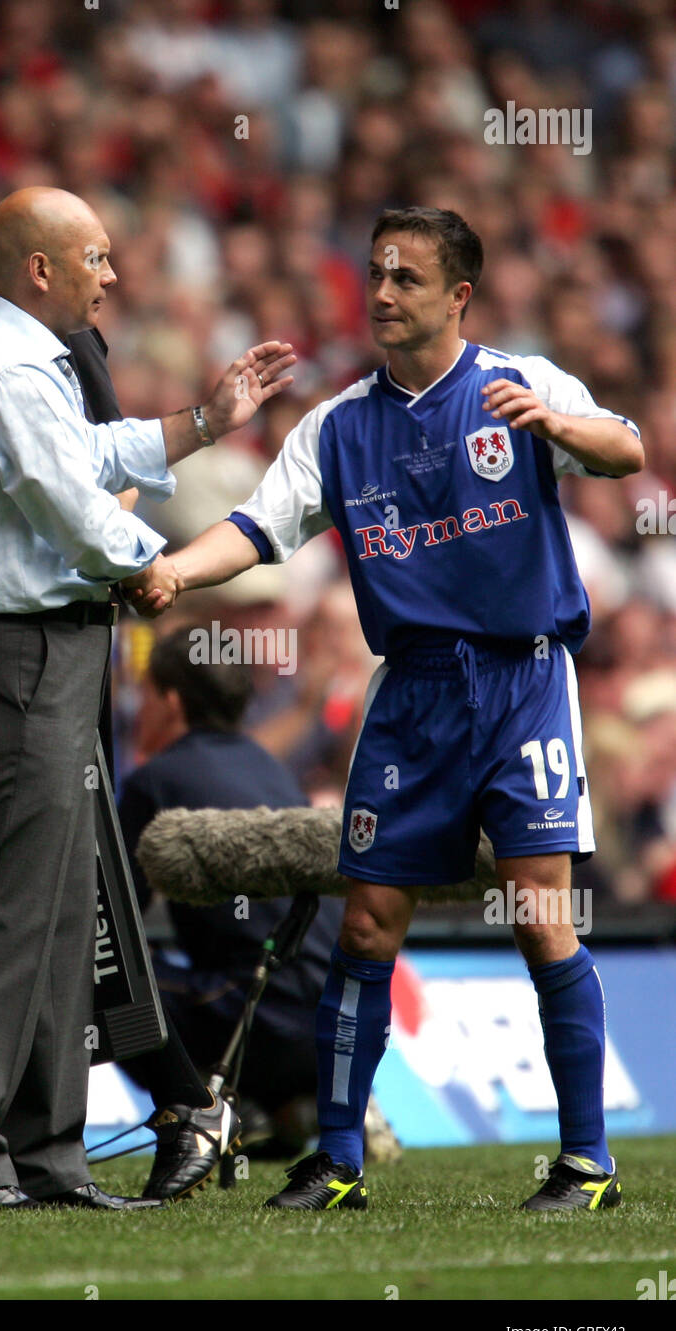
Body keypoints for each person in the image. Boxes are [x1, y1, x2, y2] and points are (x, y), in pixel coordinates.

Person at [124, 206, 644, 1214]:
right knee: (365, 923)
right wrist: (172, 574)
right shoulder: (338, 426)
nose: (381, 293)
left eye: (405, 278)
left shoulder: (520, 383)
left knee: (539, 917)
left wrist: (558, 426)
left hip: (519, 682)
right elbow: (257, 527)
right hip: (408, 694)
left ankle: (585, 1162)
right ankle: (337, 1157)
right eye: (373, 275)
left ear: (456, 295)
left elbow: (621, 450)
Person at [0, 137, 278, 1203]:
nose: (112, 277)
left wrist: (204, 425)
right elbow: (67, 506)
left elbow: (95, 459)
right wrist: (156, 569)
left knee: (54, 911)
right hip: (11, 647)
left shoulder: (31, 341)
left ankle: (45, 1151)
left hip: (55, 645)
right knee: (0, 911)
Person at [118, 626, 344, 1162]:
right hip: (334, 1028)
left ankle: (200, 1114)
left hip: (256, 1020)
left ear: (171, 701)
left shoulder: (158, 779)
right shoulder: (269, 766)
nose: (138, 709)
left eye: (145, 694)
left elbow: (112, 919)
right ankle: (279, 1109)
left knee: (106, 984)